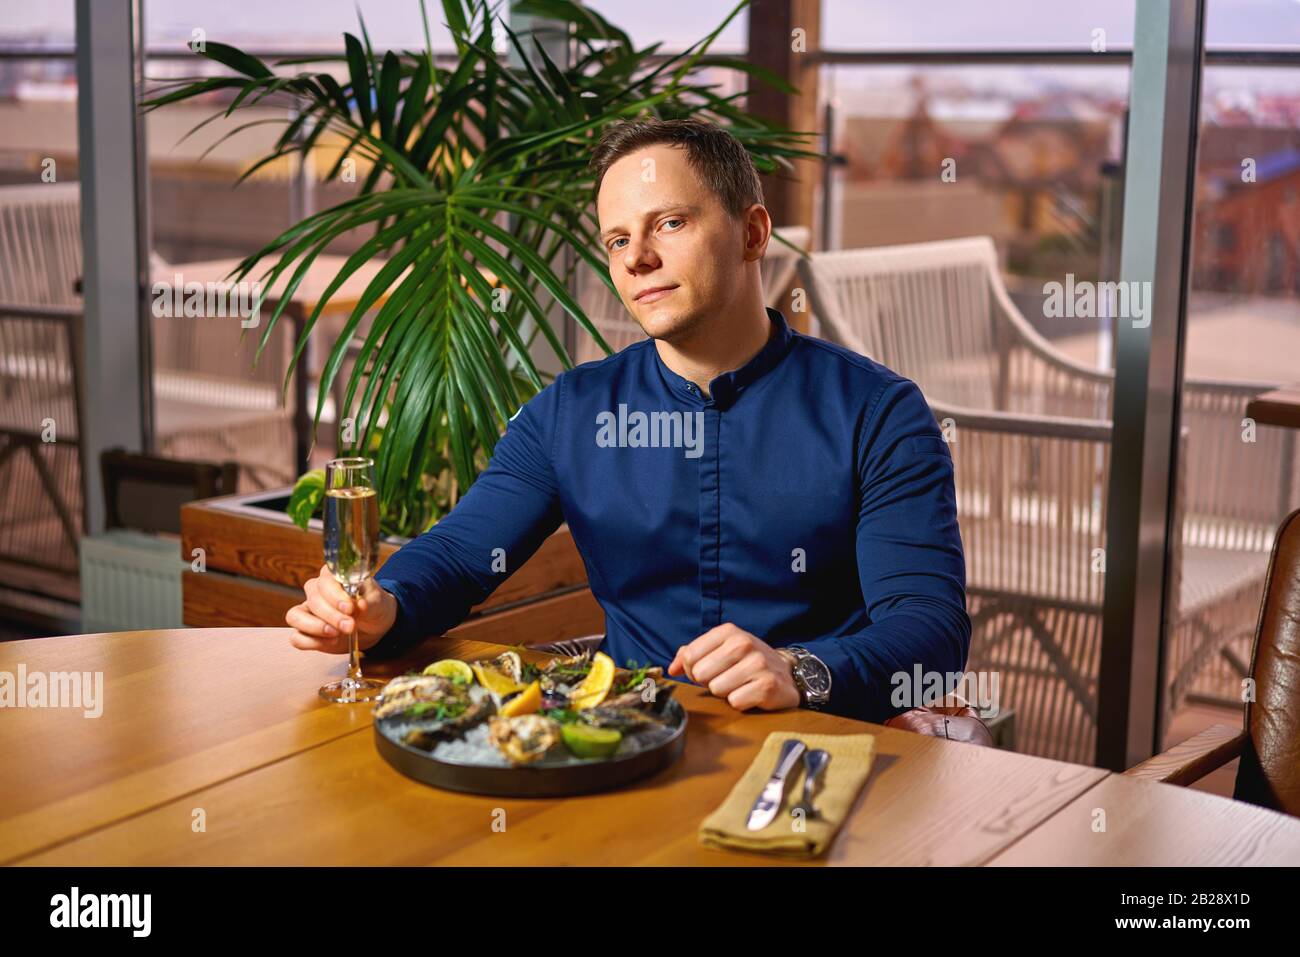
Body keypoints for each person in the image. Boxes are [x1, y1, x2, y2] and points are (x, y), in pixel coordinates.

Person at [286, 117, 970, 723]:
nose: (637, 257)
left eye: (670, 223)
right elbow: (464, 554)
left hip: (819, 745)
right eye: (617, 238)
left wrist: (802, 670)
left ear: (753, 233)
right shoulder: (570, 411)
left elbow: (929, 628)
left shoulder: (878, 413)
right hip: (626, 744)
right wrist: (386, 608)